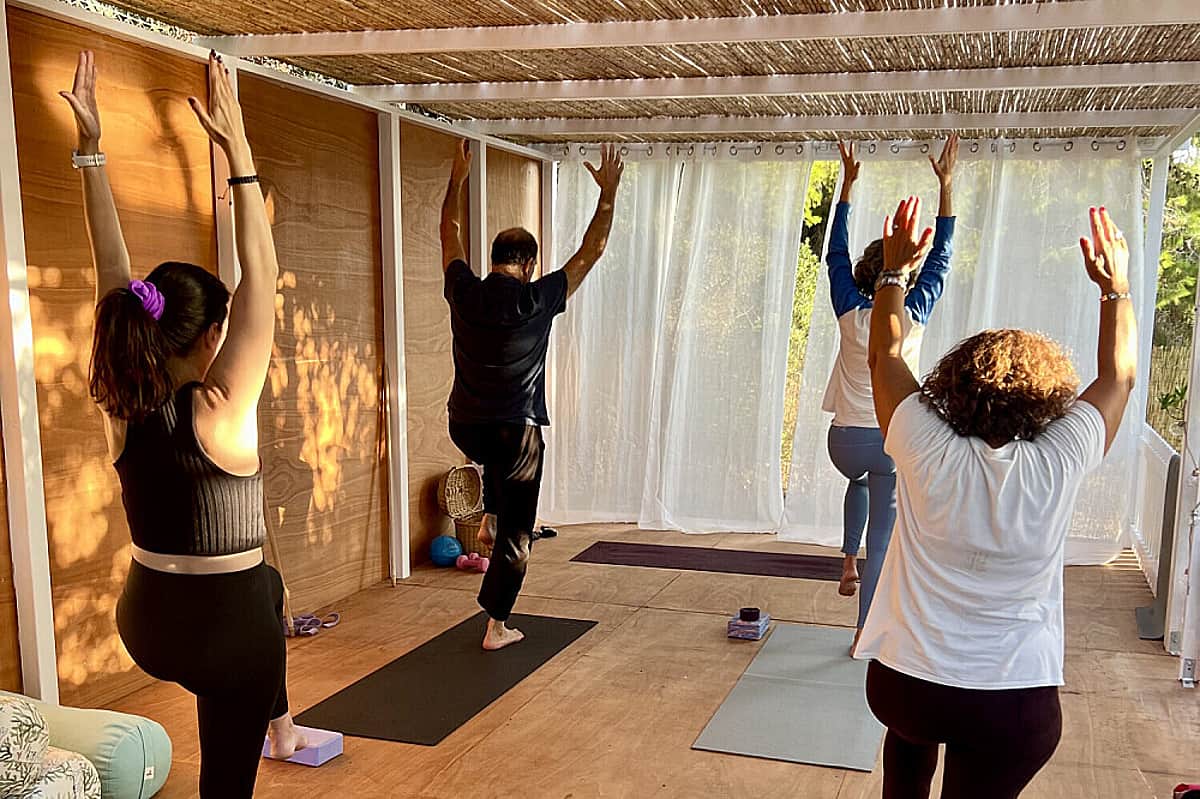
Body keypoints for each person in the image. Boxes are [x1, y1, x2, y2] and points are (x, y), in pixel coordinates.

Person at [63, 51, 304, 798]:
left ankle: (283, 725)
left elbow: (112, 275)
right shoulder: (222, 410)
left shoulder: (123, 407)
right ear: (209, 339)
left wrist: (91, 152)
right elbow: (261, 275)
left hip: (149, 625)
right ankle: (264, 725)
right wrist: (240, 155)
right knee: (225, 775)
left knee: (269, 585)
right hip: (224, 638)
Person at [857, 199, 1136, 799]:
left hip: (910, 688)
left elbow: (885, 355)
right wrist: (1117, 291)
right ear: (1047, 399)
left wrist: (892, 275)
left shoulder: (922, 442)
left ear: (952, 385)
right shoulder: (1060, 456)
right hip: (1014, 708)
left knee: (907, 746)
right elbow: (1118, 379)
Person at [441, 142, 623, 650]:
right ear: (529, 263)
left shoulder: (466, 290)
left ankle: (490, 517)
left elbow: (448, 234)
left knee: (497, 471)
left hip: (465, 426)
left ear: (496, 259)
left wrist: (456, 179)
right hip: (513, 430)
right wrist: (607, 194)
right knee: (519, 535)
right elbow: (591, 252)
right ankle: (497, 624)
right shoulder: (536, 298)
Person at [822, 135, 958, 650]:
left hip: (844, 445)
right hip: (892, 441)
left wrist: (848, 185)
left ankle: (845, 561)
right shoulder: (912, 314)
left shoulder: (849, 310)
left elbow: (833, 251)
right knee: (885, 526)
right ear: (906, 273)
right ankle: (863, 631)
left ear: (865, 273)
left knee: (856, 482)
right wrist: (946, 186)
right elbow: (942, 256)